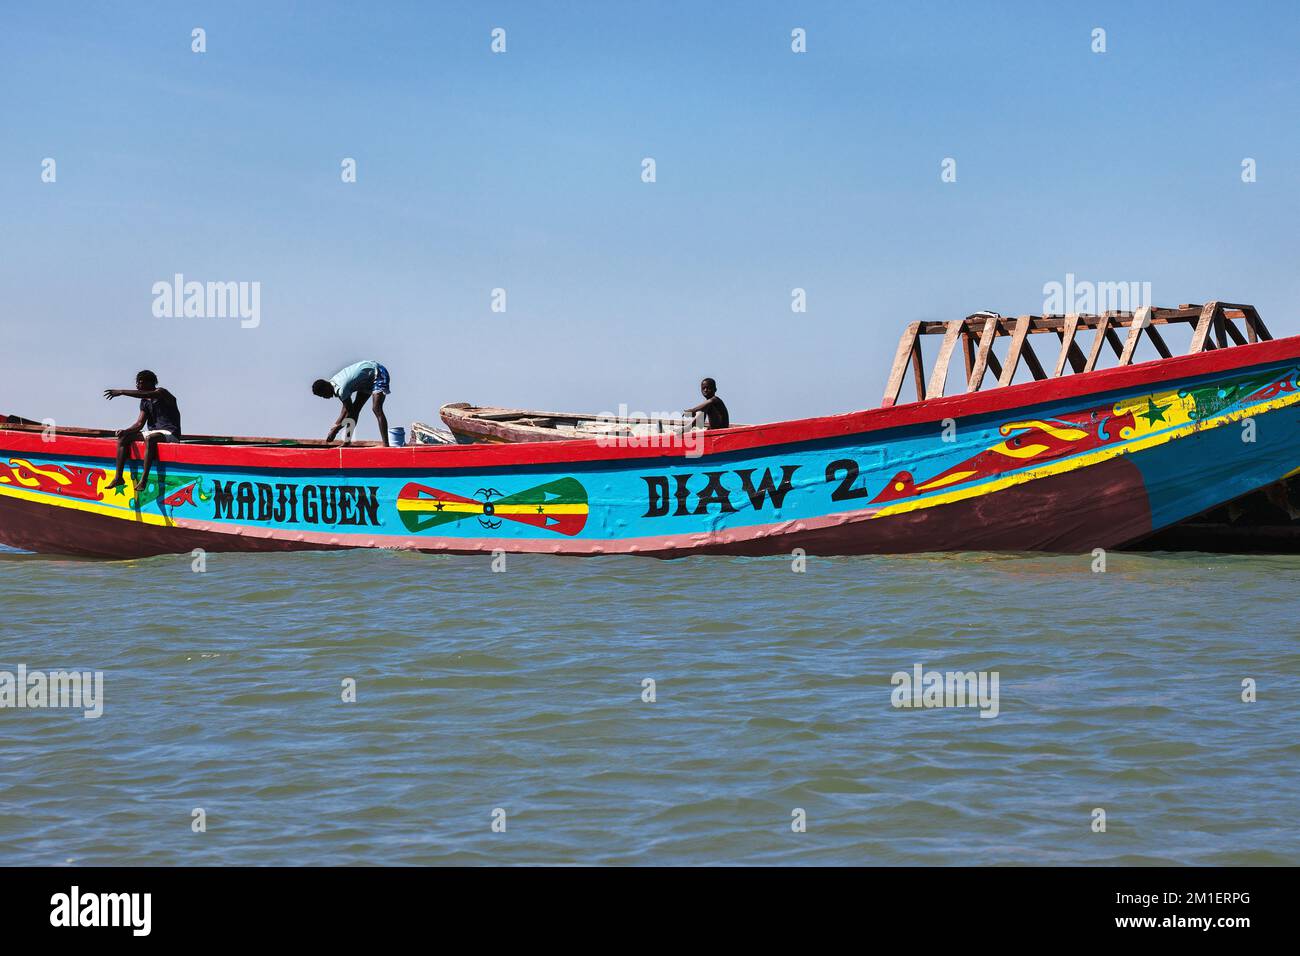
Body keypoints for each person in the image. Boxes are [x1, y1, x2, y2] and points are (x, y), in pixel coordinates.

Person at [103, 370, 183, 491]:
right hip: (153, 433)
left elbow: (144, 394)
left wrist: (122, 392)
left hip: (170, 434)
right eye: (137, 383)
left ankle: (144, 479)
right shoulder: (145, 401)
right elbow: (139, 424)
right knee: (124, 438)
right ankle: (118, 477)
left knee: (150, 438)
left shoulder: (161, 393)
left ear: (150, 383)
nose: (137, 386)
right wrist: (126, 431)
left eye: (140, 383)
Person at [312, 360, 391, 446]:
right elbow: (346, 409)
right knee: (356, 409)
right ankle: (347, 442)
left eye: (323, 395)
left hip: (378, 373)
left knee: (376, 408)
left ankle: (386, 444)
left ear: (326, 388)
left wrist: (337, 429)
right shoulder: (334, 383)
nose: (325, 398)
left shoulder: (341, 389)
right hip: (365, 380)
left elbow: (351, 413)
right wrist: (335, 426)